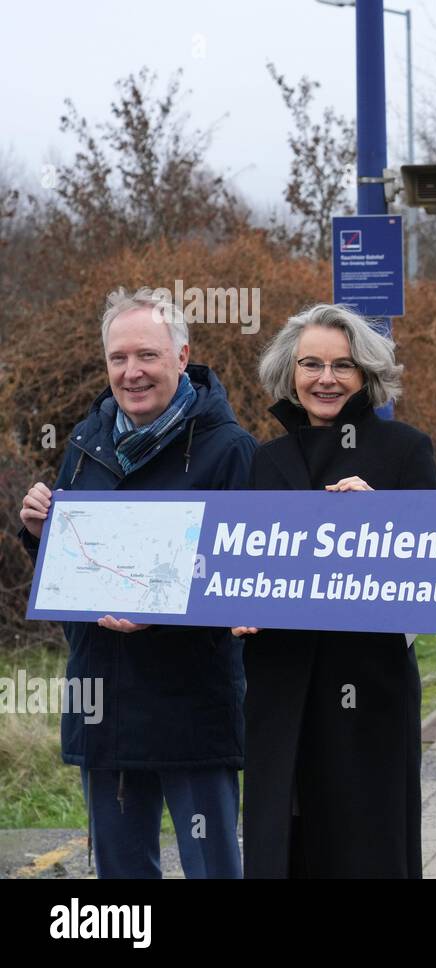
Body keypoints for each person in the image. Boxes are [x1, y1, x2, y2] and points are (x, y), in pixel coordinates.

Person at [17, 287, 255, 878]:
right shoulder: (83, 443)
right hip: (104, 708)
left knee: (214, 871)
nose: (132, 372)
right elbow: (72, 566)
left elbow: (250, 578)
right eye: (118, 358)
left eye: (147, 355)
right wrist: (38, 533)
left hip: (192, 706)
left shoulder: (230, 451)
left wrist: (168, 608)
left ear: (182, 357)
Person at [238, 303, 436, 878]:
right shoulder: (264, 459)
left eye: (342, 366)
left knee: (366, 844)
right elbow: (240, 564)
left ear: (366, 375)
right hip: (280, 688)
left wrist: (384, 525)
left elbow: (435, 572)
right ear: (290, 373)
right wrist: (233, 607)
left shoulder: (406, 449)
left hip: (367, 688)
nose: (326, 379)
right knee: (284, 842)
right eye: (311, 364)